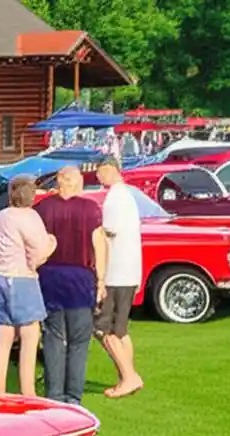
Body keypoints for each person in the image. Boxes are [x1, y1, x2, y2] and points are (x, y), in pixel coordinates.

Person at [34, 166, 108, 405]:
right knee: (79, 340)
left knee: (54, 336)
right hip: (80, 278)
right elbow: (99, 244)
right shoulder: (90, 209)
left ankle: (54, 394)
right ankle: (73, 396)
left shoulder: (43, 208)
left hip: (50, 277)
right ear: (77, 183)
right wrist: (101, 280)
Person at [0, 175, 55, 396]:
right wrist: (52, 242)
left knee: (5, 334)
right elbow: (40, 250)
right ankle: (28, 392)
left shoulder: (0, 216)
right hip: (22, 279)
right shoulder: (29, 216)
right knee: (30, 334)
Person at [94, 156, 145, 398]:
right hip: (130, 271)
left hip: (116, 273)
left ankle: (129, 377)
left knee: (105, 329)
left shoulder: (114, 199)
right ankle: (128, 375)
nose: (97, 177)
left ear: (111, 169)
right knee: (121, 330)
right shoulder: (128, 196)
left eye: (100, 172)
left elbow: (106, 234)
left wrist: (99, 271)